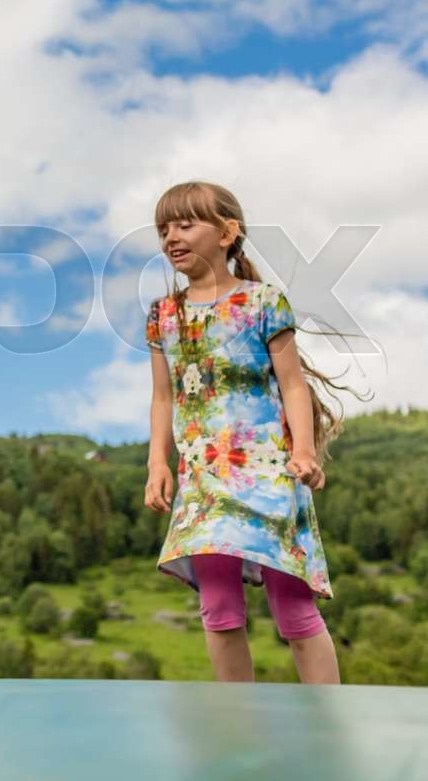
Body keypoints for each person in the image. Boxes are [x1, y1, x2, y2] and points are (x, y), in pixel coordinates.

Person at [142, 181, 356, 684]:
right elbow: (163, 397)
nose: (172, 236)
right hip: (202, 480)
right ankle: (237, 723)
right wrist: (156, 462)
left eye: (186, 224)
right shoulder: (163, 316)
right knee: (217, 608)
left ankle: (327, 720)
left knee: (293, 606)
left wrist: (303, 449)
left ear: (227, 232)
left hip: (268, 474)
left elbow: (293, 385)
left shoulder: (262, 302)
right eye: (163, 229)